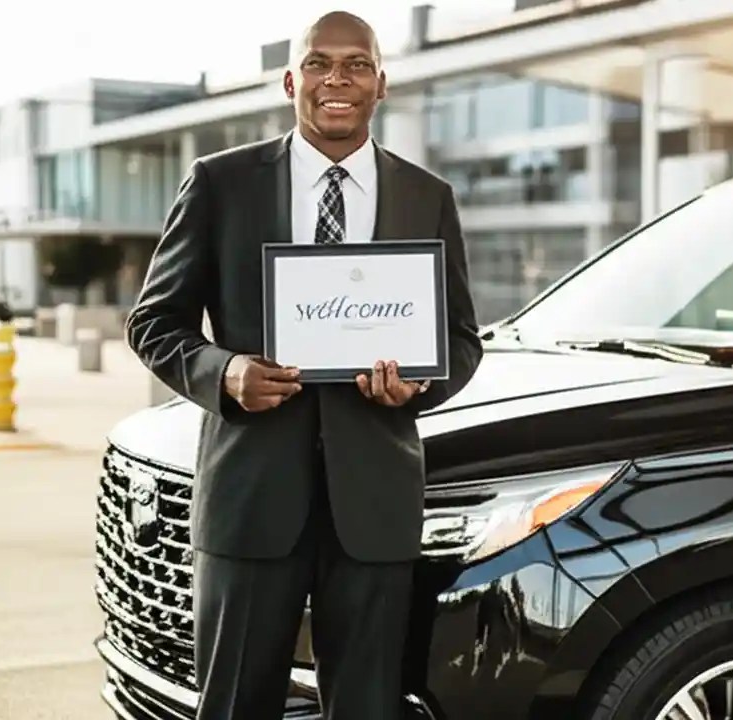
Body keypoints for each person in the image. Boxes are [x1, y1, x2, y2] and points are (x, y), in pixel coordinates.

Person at [124, 10, 484, 719]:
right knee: (234, 707)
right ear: (291, 80)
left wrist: (418, 386)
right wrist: (223, 372)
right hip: (251, 501)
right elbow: (153, 323)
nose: (337, 79)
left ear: (382, 82)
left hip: (374, 507)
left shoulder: (426, 197)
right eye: (319, 63)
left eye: (356, 64)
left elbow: (462, 341)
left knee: (366, 709)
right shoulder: (220, 184)